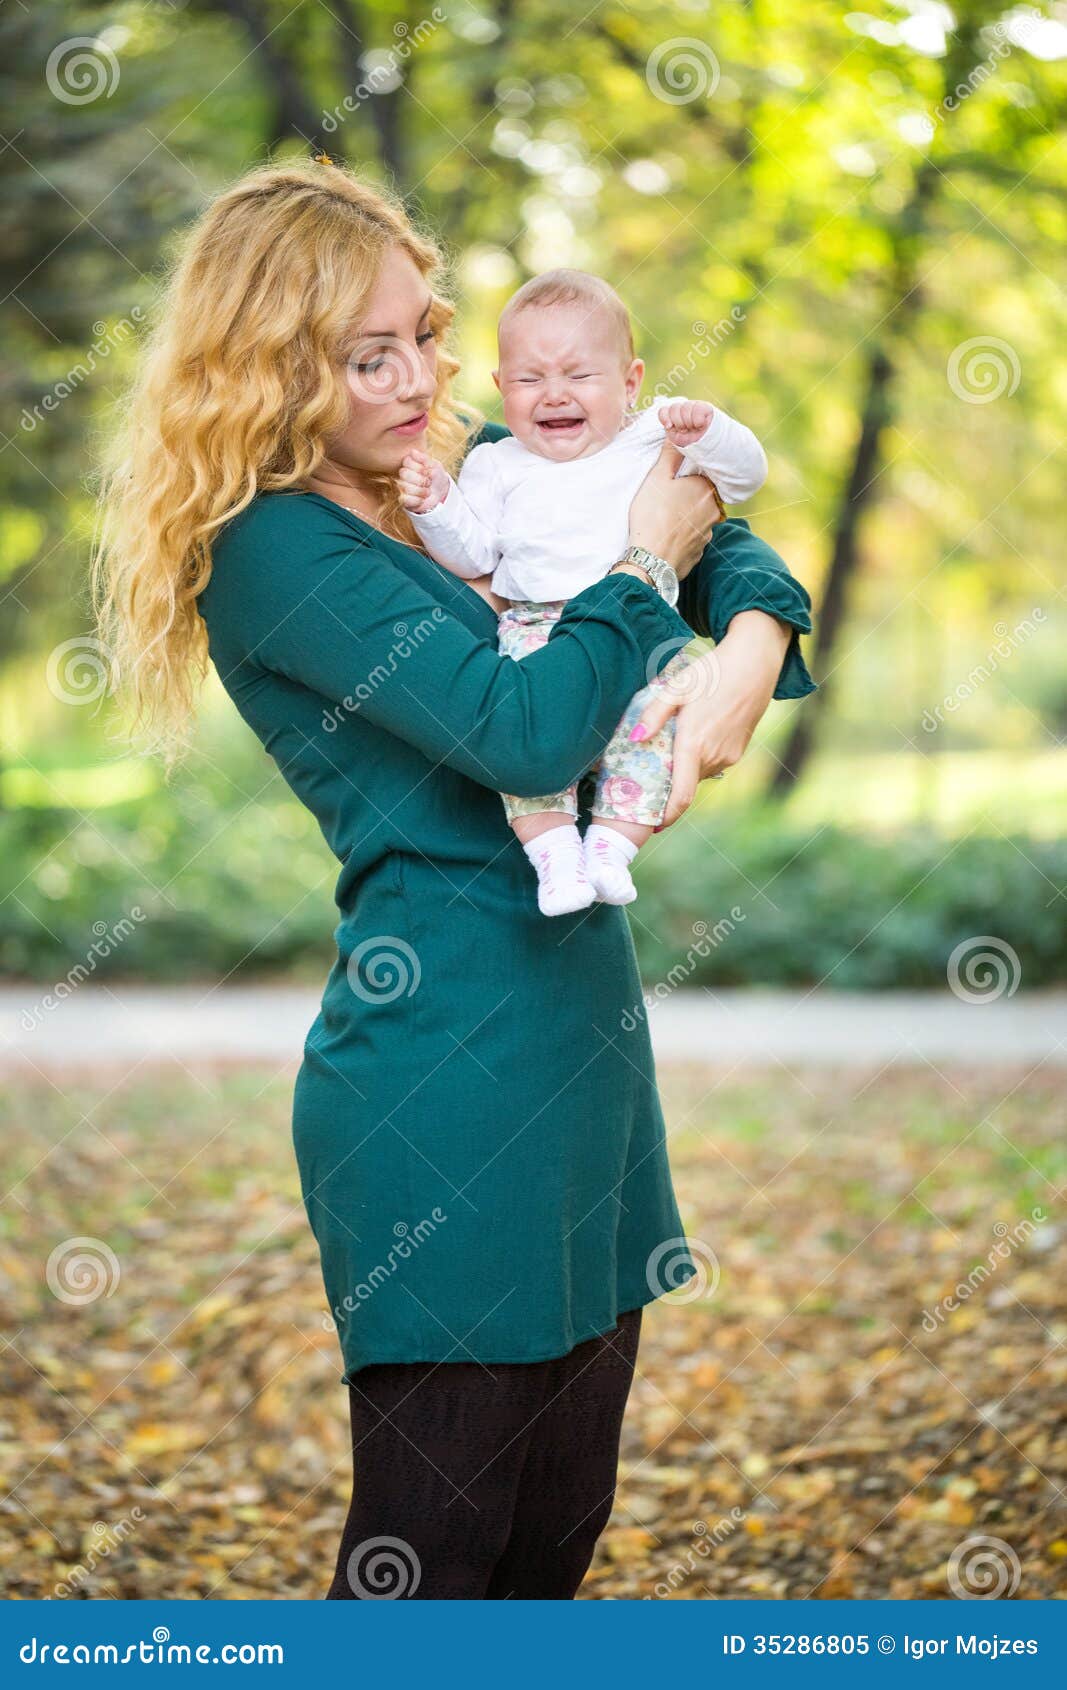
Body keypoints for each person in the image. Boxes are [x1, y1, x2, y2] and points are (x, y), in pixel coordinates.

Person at [94, 158, 815, 1600]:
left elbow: (716, 539)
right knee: (432, 1564)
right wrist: (641, 565)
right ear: (273, 370)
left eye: (425, 330)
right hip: (442, 1080)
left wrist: (739, 651)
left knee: (553, 1541)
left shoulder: (457, 476)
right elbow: (526, 725)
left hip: (581, 1051)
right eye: (371, 356)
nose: (420, 375)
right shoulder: (275, 551)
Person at [398, 267, 769, 915]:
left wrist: (707, 430)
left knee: (646, 736)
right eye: (528, 378)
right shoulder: (496, 463)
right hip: (531, 627)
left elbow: (743, 479)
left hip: (637, 625)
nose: (553, 394)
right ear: (499, 388)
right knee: (527, 752)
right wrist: (435, 507)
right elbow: (475, 552)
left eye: (578, 375)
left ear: (630, 383)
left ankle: (611, 847)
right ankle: (554, 859)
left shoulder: (651, 435)